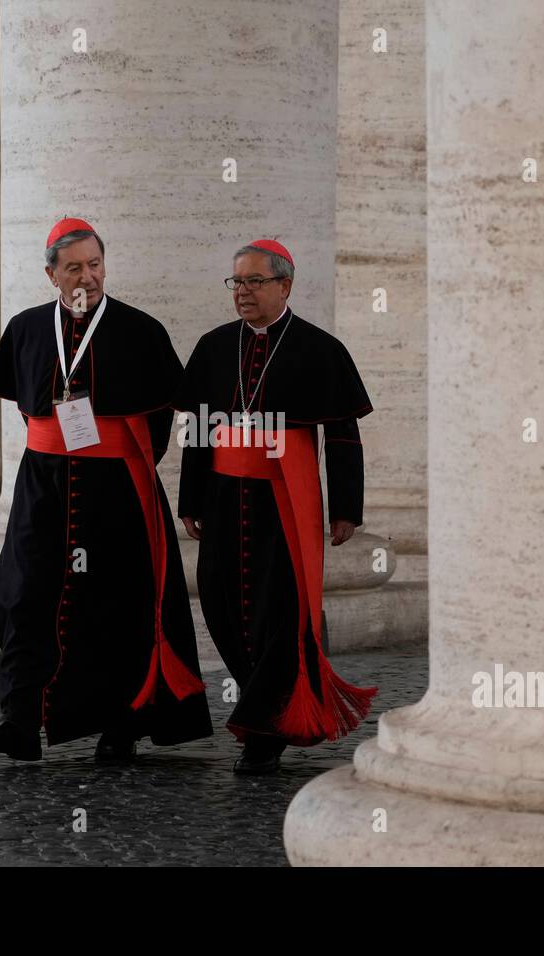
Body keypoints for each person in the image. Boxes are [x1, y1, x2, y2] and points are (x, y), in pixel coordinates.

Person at [0, 217, 212, 763]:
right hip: (42, 482)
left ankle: (121, 724)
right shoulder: (27, 328)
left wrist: (114, 455)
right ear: (51, 274)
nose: (87, 276)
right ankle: (20, 724)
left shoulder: (140, 331)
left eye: (95, 264)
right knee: (23, 594)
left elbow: (163, 420)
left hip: (117, 487)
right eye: (74, 267)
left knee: (116, 603)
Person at [175, 238, 377, 774]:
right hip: (222, 495)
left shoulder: (319, 348)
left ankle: (263, 729)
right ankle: (265, 704)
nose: (242, 292)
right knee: (221, 604)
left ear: (285, 285)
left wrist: (346, 509)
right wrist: (189, 498)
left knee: (280, 613)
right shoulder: (213, 346)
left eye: (254, 281)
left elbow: (342, 436)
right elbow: (195, 430)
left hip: (286, 498)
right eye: (236, 282)